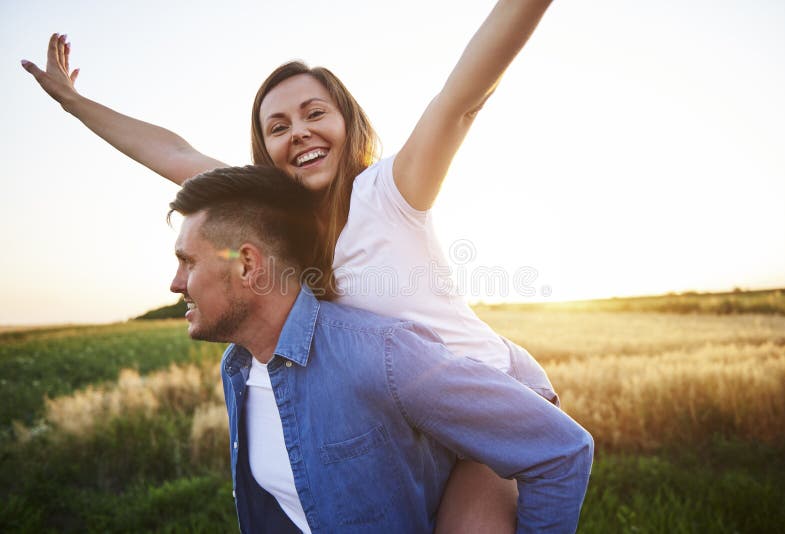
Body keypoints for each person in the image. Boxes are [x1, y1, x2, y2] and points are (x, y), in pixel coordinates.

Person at [22, 1, 564, 529]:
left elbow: (461, 97)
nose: (298, 131)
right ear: (265, 150)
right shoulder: (280, 224)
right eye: (277, 127)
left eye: (314, 113)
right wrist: (73, 103)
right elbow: (175, 154)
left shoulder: (389, 193)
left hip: (492, 396)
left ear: (347, 121)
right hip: (416, 415)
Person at [168, 164, 593, 533]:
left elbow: (559, 451)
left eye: (188, 261)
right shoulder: (236, 369)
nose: (176, 283)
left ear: (247, 264)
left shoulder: (383, 355)